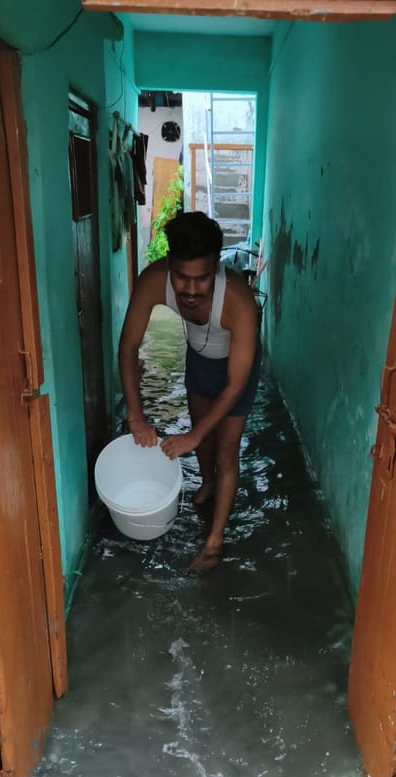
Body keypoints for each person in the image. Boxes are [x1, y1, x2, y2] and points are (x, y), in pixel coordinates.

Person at [118, 211, 261, 571]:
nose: (192, 290)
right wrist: (136, 416)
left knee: (225, 449)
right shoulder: (153, 280)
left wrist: (195, 435)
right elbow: (128, 347)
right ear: (169, 265)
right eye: (182, 277)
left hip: (237, 372)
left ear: (217, 266)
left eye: (202, 279)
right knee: (203, 441)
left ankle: (214, 543)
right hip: (198, 356)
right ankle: (207, 484)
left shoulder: (240, 303)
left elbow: (235, 386)